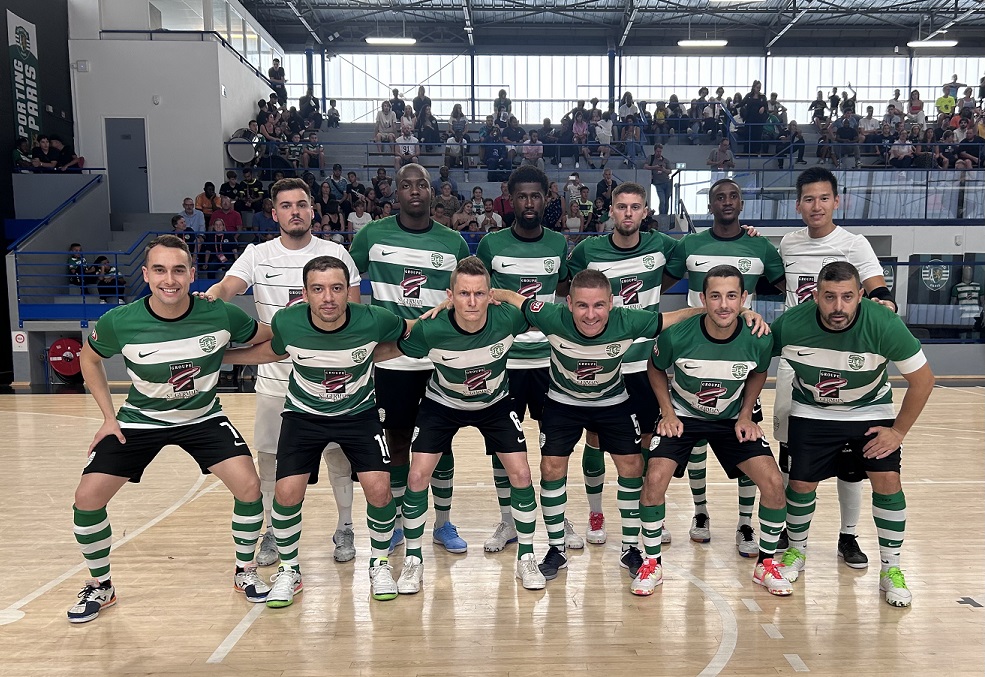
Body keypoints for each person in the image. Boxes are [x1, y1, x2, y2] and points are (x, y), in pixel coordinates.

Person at [489, 271, 765, 581]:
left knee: (633, 465)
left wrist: (736, 310)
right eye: (581, 306)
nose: (590, 314)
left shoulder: (630, 321)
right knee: (551, 467)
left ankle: (631, 548)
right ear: (568, 304)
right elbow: (515, 298)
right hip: (563, 401)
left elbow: (673, 316)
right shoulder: (550, 316)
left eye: (598, 306)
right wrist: (480, 295)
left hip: (612, 401)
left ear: (611, 303)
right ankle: (556, 548)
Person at [67, 235, 272, 623]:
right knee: (87, 498)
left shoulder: (221, 314)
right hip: (140, 419)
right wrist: (109, 417)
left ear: (193, 274)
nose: (170, 279)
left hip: (203, 416)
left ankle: (244, 571)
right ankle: (100, 586)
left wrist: (223, 354)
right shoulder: (119, 321)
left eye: (179, 270)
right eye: (159, 270)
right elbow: (88, 359)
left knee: (249, 487)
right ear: (145, 275)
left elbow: (269, 339)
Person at [222, 255, 407, 605]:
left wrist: (448, 316)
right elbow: (271, 352)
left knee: (379, 488)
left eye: (337, 288)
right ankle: (290, 570)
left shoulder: (373, 319)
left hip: (359, 414)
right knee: (286, 492)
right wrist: (221, 359)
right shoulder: (288, 322)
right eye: (318, 289)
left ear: (349, 292)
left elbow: (411, 333)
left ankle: (380, 563)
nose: (328, 297)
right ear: (305, 293)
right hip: (303, 416)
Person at [203, 178, 362, 567]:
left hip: (331, 379)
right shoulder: (257, 255)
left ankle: (345, 526)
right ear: (275, 214)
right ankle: (274, 531)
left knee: (339, 458)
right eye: (287, 205)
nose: (295, 211)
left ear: (312, 211)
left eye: (302, 204)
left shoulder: (335, 252)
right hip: (276, 381)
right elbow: (227, 287)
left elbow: (355, 312)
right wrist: (206, 301)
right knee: (271, 459)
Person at [381, 257, 548, 591]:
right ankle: (413, 560)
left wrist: (502, 293)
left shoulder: (508, 317)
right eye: (463, 294)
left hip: (495, 403)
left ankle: (526, 557)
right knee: (417, 475)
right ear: (449, 295)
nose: (472, 302)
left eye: (479, 294)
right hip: (442, 405)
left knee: (522, 473)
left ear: (490, 295)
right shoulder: (431, 327)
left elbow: (534, 307)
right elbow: (393, 346)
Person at [773, 261, 934, 607]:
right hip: (812, 410)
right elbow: (754, 356)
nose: (838, 307)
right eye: (829, 297)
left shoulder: (883, 324)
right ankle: (795, 554)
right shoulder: (791, 324)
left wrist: (898, 432)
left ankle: (891, 570)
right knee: (799, 484)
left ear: (861, 295)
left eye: (847, 297)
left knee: (888, 480)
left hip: (870, 412)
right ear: (815, 296)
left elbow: (923, 380)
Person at [637, 265, 790, 596]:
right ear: (703, 299)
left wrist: (747, 414)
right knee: (653, 479)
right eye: (716, 296)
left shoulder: (758, 338)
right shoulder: (677, 335)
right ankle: (651, 563)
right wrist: (666, 411)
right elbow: (655, 367)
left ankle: (766, 564)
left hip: (730, 419)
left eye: (732, 296)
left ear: (744, 299)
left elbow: (759, 372)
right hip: (684, 416)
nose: (724, 305)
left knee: (775, 484)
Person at [774, 166, 898, 563]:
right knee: (791, 450)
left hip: (843, 356)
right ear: (798, 205)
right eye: (808, 199)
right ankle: (786, 532)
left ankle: (848, 535)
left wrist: (885, 305)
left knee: (851, 458)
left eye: (824, 198)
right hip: (797, 358)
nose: (816, 206)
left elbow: (879, 290)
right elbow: (781, 284)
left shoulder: (854, 244)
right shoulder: (788, 244)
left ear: (836, 201)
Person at [349, 164, 471, 554]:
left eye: (422, 185)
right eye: (406, 185)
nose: (414, 191)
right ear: (395, 193)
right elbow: (348, 278)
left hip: (440, 361)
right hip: (391, 362)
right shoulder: (372, 234)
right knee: (397, 441)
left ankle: (443, 523)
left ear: (433, 192)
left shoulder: (453, 243)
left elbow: (467, 295)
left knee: (442, 443)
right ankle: (400, 520)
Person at [663, 178, 785, 552]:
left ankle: (746, 523)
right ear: (710, 205)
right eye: (720, 198)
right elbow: (658, 282)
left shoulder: (761, 245)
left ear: (742, 203)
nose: (727, 202)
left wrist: (753, 315)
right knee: (695, 441)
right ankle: (701, 512)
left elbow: (786, 289)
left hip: (740, 351)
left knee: (745, 436)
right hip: (695, 348)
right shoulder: (689, 244)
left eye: (733, 196)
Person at [567, 182, 680, 548]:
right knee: (596, 440)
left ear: (645, 212)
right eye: (621, 206)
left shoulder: (662, 247)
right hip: (602, 366)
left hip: (644, 366)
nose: (628, 213)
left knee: (646, 443)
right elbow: (570, 292)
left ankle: (648, 510)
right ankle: (596, 513)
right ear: (610, 211)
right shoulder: (588, 250)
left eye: (635, 207)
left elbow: (700, 253)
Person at [475, 166, 572, 553]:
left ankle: (557, 518)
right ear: (509, 199)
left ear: (546, 197)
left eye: (536, 196)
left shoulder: (558, 244)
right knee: (505, 447)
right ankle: (508, 520)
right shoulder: (490, 245)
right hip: (505, 362)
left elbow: (566, 287)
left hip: (549, 361)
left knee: (555, 446)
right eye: (522, 196)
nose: (529, 203)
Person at [643, 144, 674, 216]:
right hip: (658, 183)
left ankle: (665, 215)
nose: (659, 153)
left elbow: (669, 171)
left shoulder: (665, 160)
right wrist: (655, 167)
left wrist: (663, 169)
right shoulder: (651, 158)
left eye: (660, 151)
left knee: (667, 200)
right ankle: (662, 215)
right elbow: (645, 166)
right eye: (657, 151)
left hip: (667, 182)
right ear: (655, 151)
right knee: (662, 200)